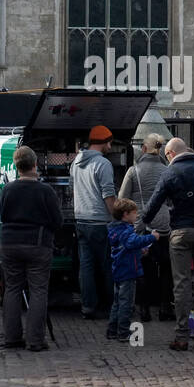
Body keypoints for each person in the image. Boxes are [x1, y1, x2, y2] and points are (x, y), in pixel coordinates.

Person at [142, 137, 194, 351]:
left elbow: (153, 204)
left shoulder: (170, 173)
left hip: (180, 232)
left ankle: (181, 336)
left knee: (181, 284)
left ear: (170, 154)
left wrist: (143, 221)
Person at [0, 146, 62, 351]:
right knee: (38, 290)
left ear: (17, 167)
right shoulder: (45, 191)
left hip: (9, 242)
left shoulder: (7, 189)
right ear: (35, 164)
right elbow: (57, 220)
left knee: (12, 289)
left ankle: (12, 337)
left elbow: (3, 215)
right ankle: (35, 340)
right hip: (37, 243)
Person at [119, 133, 174, 322]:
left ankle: (144, 309)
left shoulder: (133, 171)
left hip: (140, 225)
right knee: (166, 267)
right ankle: (165, 307)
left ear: (143, 149)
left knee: (143, 267)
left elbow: (122, 199)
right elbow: (171, 199)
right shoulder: (167, 170)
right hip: (164, 225)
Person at [71, 124, 118, 319]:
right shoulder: (103, 164)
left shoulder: (76, 163)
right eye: (110, 142)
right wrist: (117, 217)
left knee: (86, 266)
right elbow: (108, 195)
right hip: (99, 222)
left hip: (80, 220)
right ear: (103, 142)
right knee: (106, 265)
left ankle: (88, 307)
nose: (111, 146)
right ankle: (110, 307)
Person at [107, 199, 158, 341]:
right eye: (135, 213)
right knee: (126, 303)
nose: (137, 216)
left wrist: (140, 251)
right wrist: (152, 237)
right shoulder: (126, 230)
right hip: (128, 271)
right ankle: (123, 332)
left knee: (117, 302)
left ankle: (112, 330)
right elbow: (133, 242)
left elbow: (125, 248)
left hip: (118, 270)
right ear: (126, 214)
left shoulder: (115, 229)